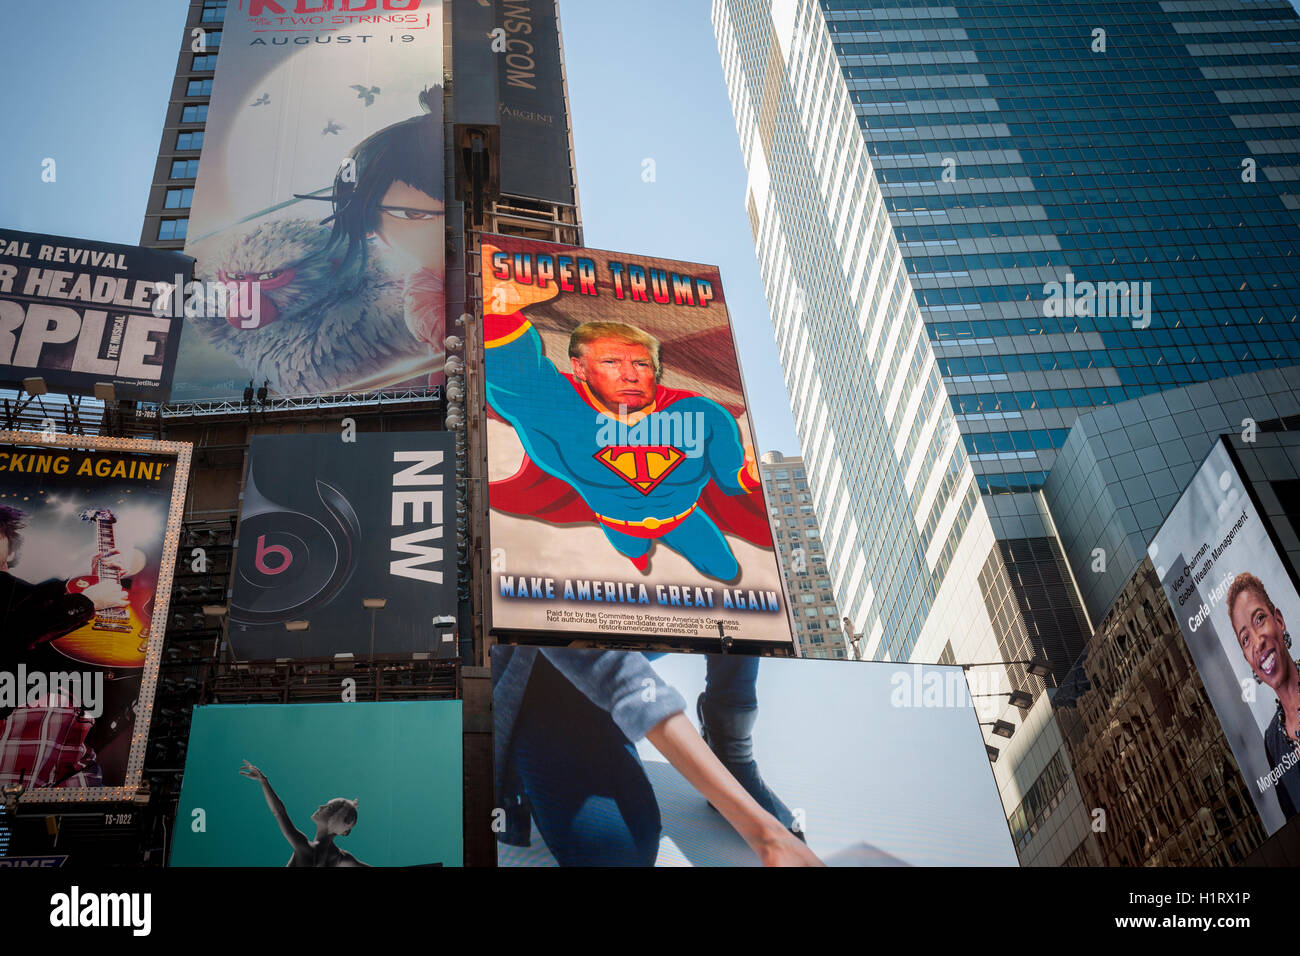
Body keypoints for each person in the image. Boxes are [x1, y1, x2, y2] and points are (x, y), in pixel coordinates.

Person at [483, 254, 764, 581]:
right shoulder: (561, 410)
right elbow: (517, 378)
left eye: (642, 364)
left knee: (726, 570)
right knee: (634, 551)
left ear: (656, 369)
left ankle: (647, 555)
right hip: (618, 523)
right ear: (580, 368)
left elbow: (731, 478)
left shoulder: (703, 414)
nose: (630, 375)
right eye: (611, 362)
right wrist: (499, 314)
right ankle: (639, 557)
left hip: (684, 517)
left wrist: (752, 475)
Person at [495, 646, 821, 867]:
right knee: (617, 852)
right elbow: (618, 672)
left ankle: (728, 749)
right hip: (543, 661)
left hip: (620, 617)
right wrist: (766, 834)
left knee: (738, 577)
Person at [297, 87, 445, 388]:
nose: (444, 227)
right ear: (369, 223)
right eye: (413, 215)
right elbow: (455, 334)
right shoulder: (423, 290)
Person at [0, 505, 131, 789]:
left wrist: (95, 582)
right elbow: (19, 629)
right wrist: (88, 602)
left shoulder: (29, 595)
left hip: (70, 747)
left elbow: (44, 613)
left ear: (11, 549)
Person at [1227, 571, 1300, 818]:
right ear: (1248, 661)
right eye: (1245, 639)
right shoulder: (1272, 741)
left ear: (1278, 621)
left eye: (1259, 619)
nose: (1256, 642)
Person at [240, 760, 370, 867]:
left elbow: (279, 812)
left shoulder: (304, 847)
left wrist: (264, 782)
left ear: (336, 824)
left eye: (329, 807)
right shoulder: (342, 859)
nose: (321, 806)